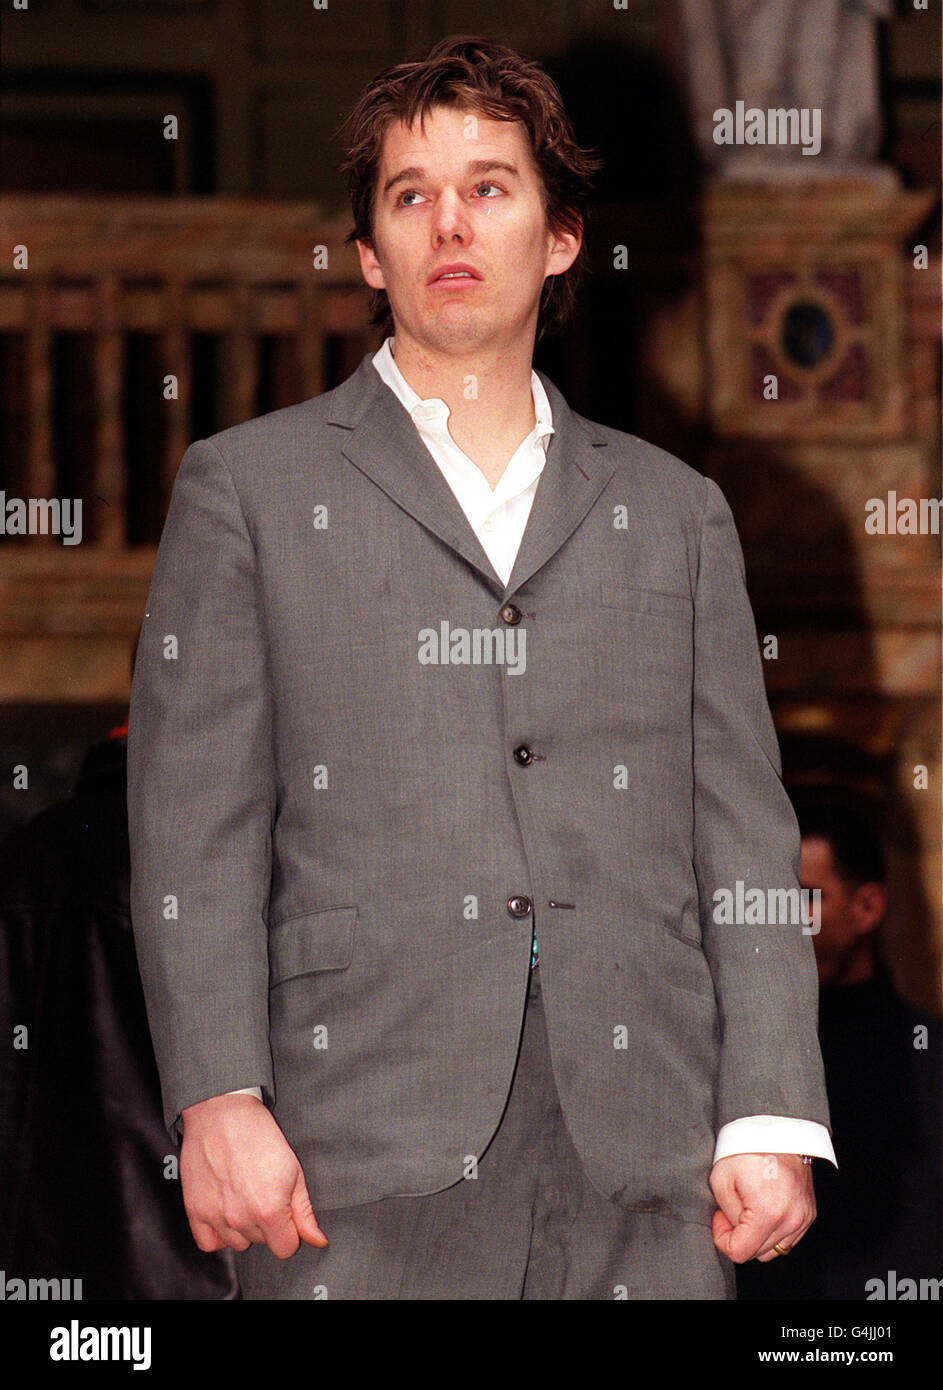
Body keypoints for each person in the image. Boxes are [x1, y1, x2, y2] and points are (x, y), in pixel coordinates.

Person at [127, 35, 834, 1301]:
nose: (449, 222)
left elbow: (742, 828)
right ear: (369, 253)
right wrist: (216, 1093)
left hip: (653, 1159)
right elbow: (194, 827)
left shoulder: (678, 511)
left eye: (488, 187)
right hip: (351, 1154)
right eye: (410, 195)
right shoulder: (248, 488)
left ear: (560, 238)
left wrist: (772, 1106)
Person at [738, 799, 942, 1299]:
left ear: (867, 907)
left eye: (804, 898)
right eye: (768, 901)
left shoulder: (931, 1060)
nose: (782, 920)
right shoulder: (727, 1054)